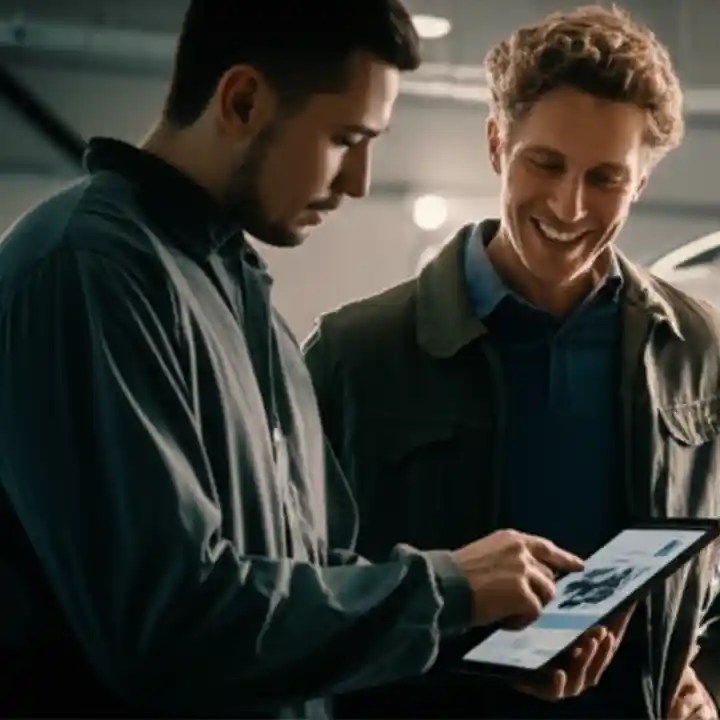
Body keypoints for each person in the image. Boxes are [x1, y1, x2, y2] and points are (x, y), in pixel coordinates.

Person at [0, 1, 618, 717]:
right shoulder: (88, 273)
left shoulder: (240, 293)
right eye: (345, 139)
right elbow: (170, 627)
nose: (359, 181)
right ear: (242, 100)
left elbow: (305, 582)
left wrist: (478, 629)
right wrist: (448, 591)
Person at [302, 5, 720, 719]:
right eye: (545, 164)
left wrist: (716, 671)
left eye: (606, 179)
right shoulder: (356, 352)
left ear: (640, 184)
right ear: (496, 144)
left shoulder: (697, 347)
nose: (569, 206)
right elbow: (294, 581)